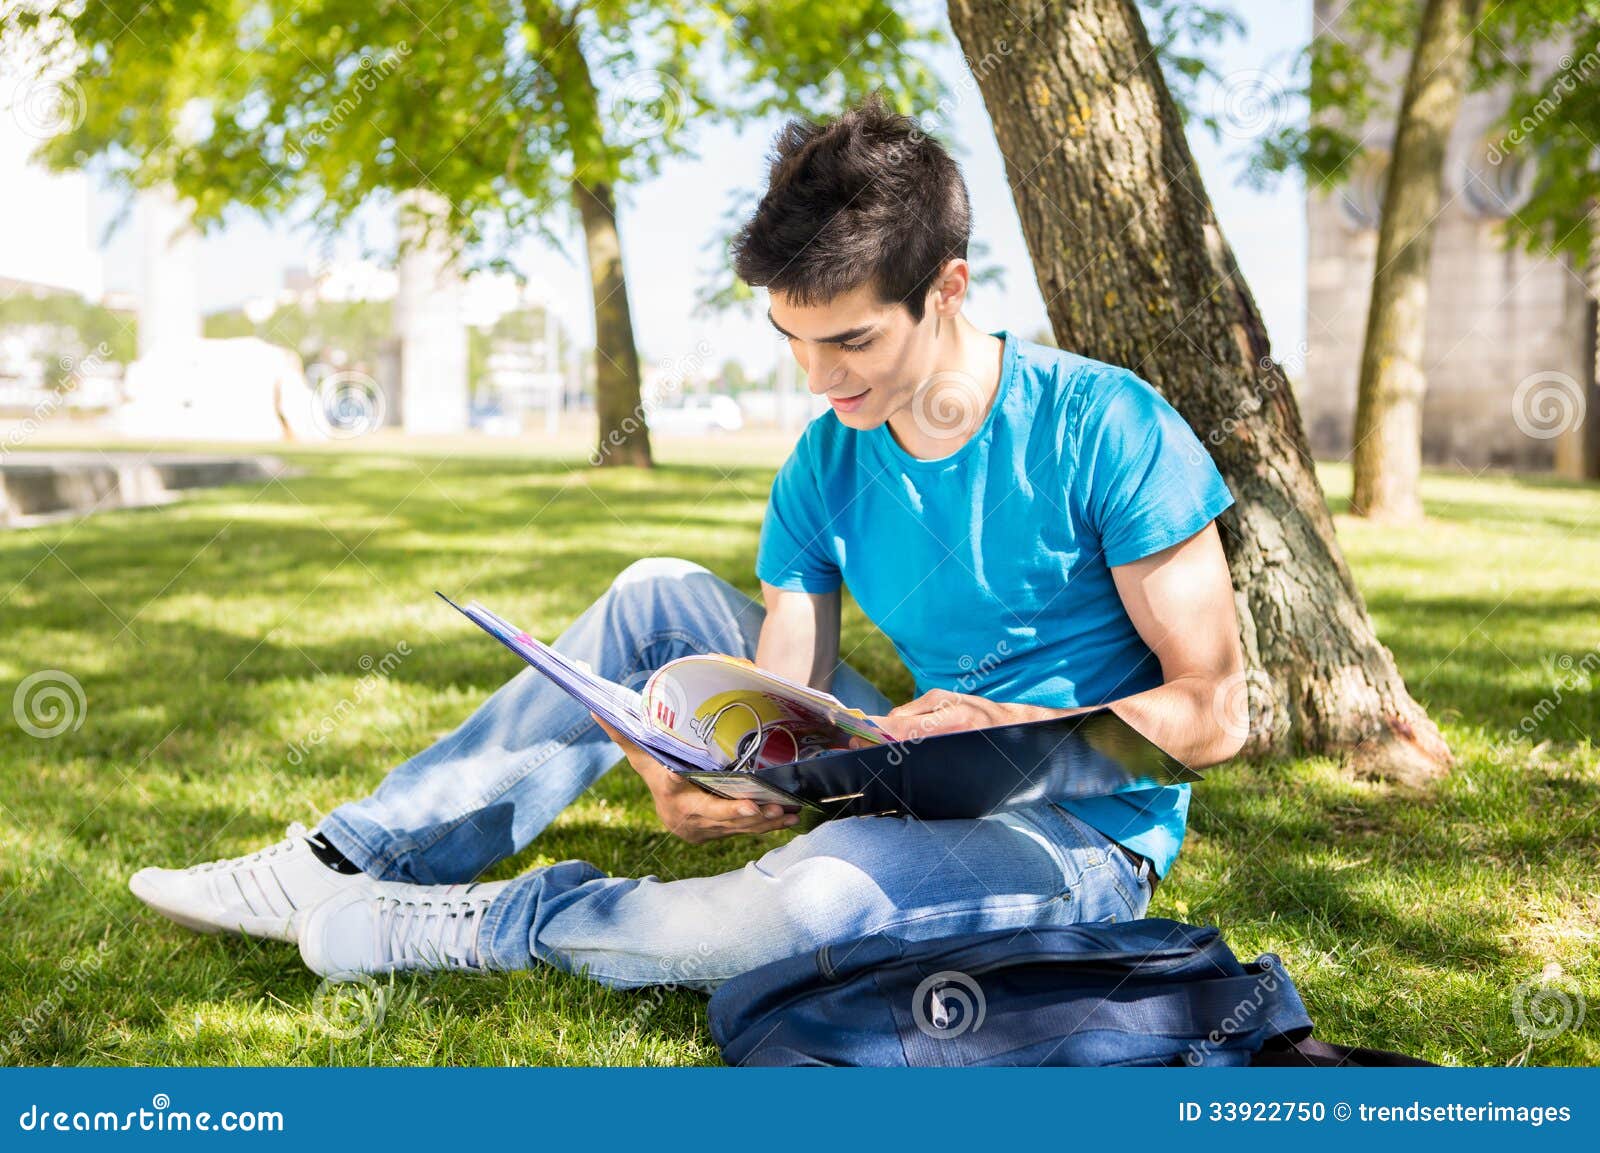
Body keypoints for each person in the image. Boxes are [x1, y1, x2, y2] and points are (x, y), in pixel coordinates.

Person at [129, 96, 1245, 988]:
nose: (819, 379)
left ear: (946, 289)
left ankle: (490, 921)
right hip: (913, 769)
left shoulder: (1107, 423)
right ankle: (345, 857)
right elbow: (779, 688)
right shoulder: (826, 460)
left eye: (850, 339)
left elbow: (1216, 713)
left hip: (1081, 835)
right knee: (655, 588)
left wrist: (1012, 721)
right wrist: (682, 754)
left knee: (800, 906)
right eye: (792, 341)